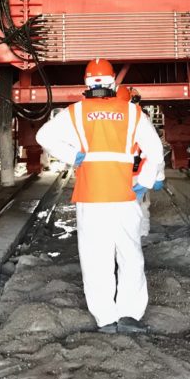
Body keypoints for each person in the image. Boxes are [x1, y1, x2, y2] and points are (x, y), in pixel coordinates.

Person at [36, 59, 163, 334]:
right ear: (112, 83)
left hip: (91, 197)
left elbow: (43, 135)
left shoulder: (76, 112)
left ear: (86, 83)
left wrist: (72, 156)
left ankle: (105, 318)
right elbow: (155, 150)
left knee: (96, 258)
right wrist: (145, 181)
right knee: (130, 255)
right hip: (125, 196)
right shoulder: (131, 112)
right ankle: (130, 315)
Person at [117, 86, 166, 237]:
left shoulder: (114, 118)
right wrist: (159, 176)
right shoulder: (140, 118)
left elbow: (154, 150)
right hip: (135, 173)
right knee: (139, 208)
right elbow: (155, 150)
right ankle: (139, 236)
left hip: (125, 173)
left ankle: (136, 236)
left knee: (135, 208)